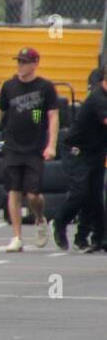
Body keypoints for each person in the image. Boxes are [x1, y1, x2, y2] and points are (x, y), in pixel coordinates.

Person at [0, 47, 59, 252]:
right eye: (18, 61)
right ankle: (17, 236)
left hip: (34, 148)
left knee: (33, 195)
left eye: (25, 62)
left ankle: (39, 219)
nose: (20, 65)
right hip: (12, 146)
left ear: (35, 64)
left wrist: (51, 145)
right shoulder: (9, 86)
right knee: (14, 190)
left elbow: (51, 116)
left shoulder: (45, 87)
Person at [53, 73, 107, 253]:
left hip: (96, 150)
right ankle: (60, 222)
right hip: (77, 150)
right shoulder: (98, 98)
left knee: (96, 195)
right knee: (81, 191)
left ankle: (96, 237)